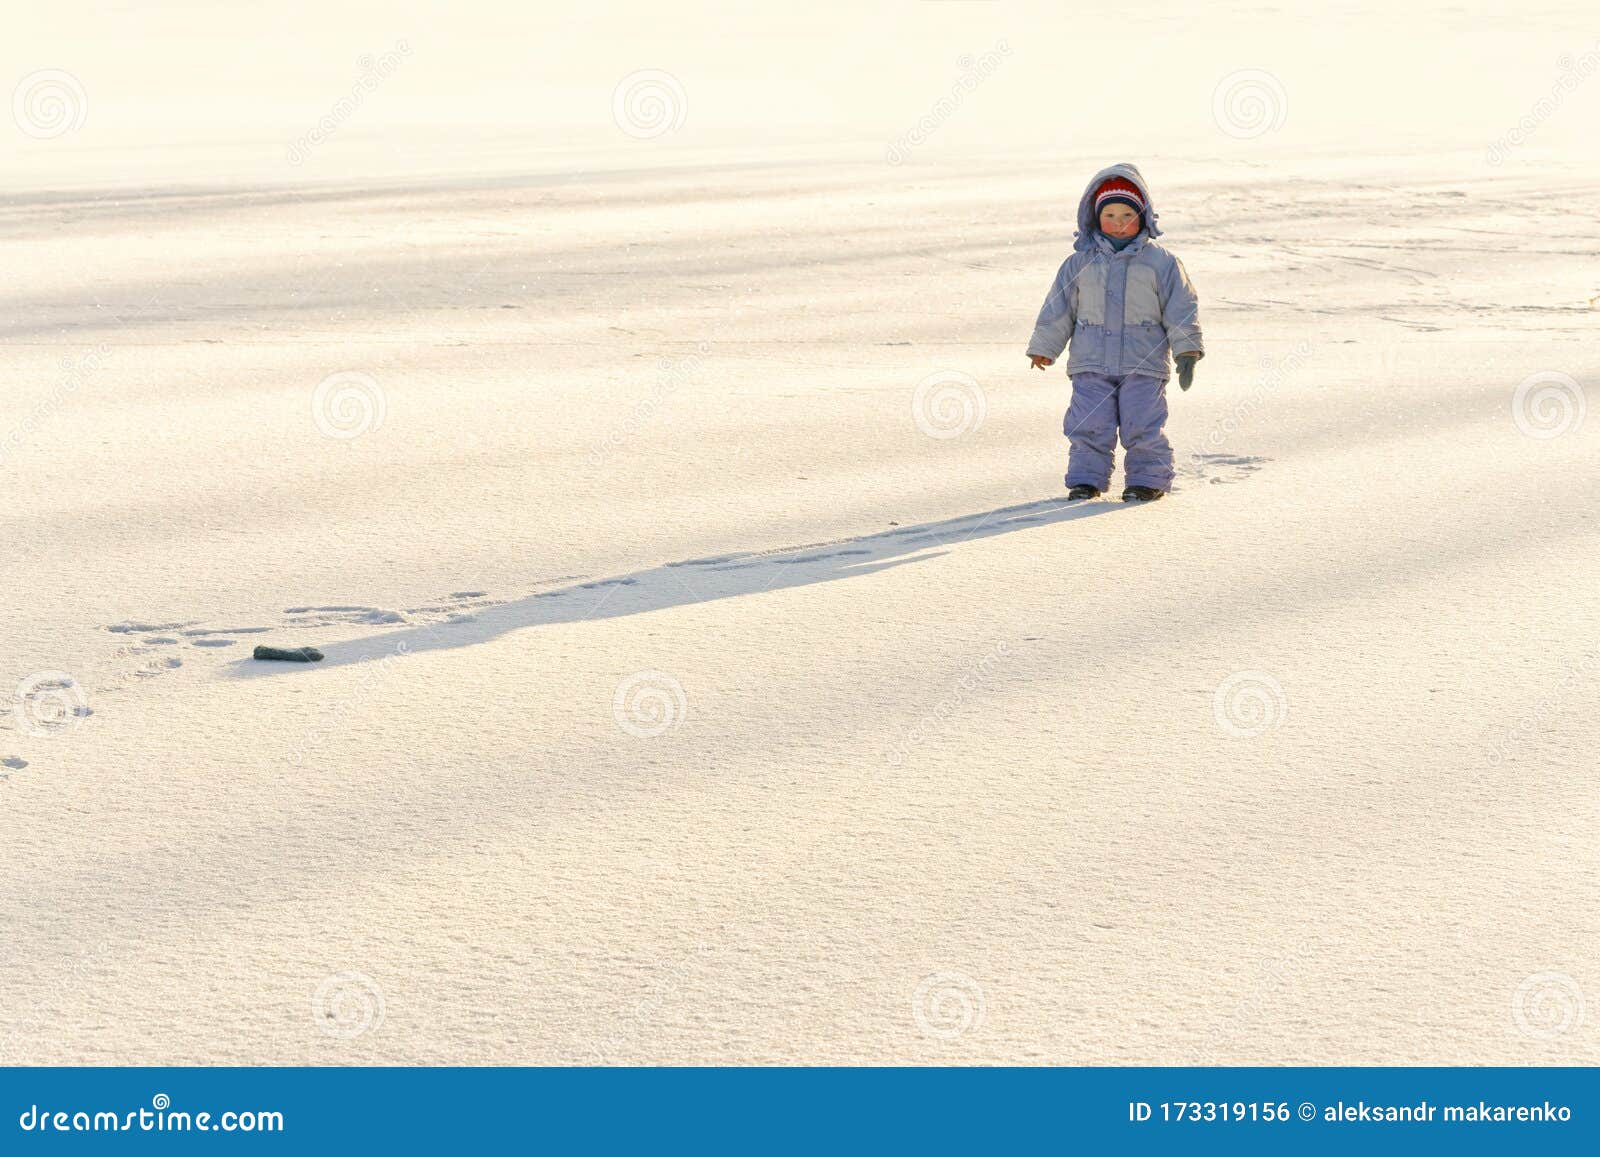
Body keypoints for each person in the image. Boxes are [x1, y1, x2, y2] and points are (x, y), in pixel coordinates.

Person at [1025, 163, 1204, 502]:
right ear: (1095, 218)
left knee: (1142, 424)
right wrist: (1044, 347)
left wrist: (1187, 349)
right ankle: (1086, 480)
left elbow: (1181, 308)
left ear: (1143, 216)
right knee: (1089, 425)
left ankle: (1147, 480)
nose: (1119, 222)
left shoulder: (1162, 263)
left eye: (1127, 214)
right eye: (1110, 215)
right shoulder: (1079, 263)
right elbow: (1058, 308)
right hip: (1091, 363)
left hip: (1143, 364)